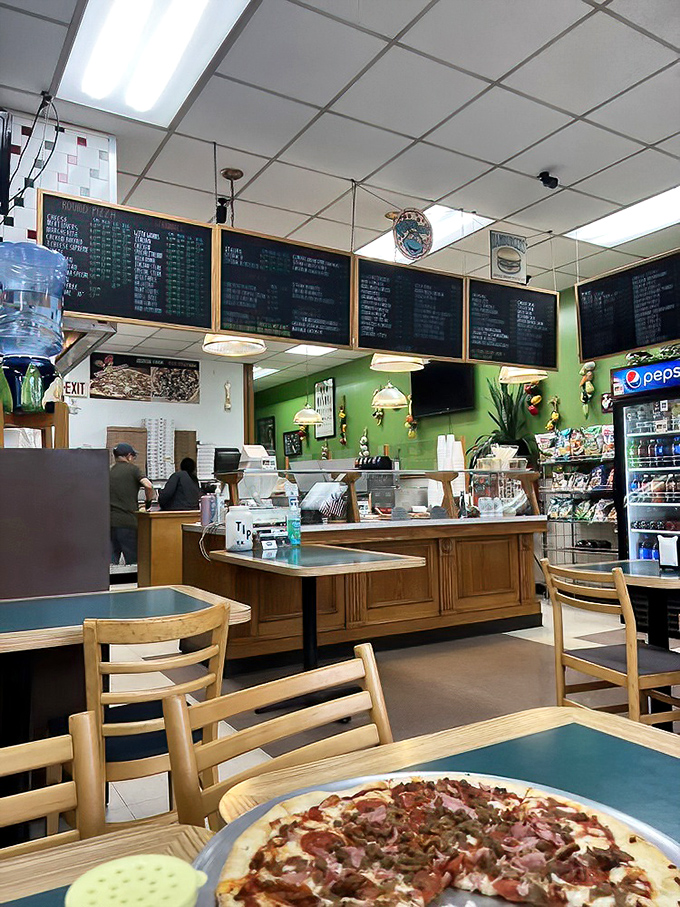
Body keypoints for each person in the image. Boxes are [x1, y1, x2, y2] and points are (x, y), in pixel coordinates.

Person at [109, 442, 154, 565]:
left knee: (111, 562)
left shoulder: (108, 471)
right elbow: (149, 485)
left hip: (110, 522)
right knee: (133, 562)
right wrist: (148, 502)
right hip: (128, 522)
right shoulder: (133, 470)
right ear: (129, 456)